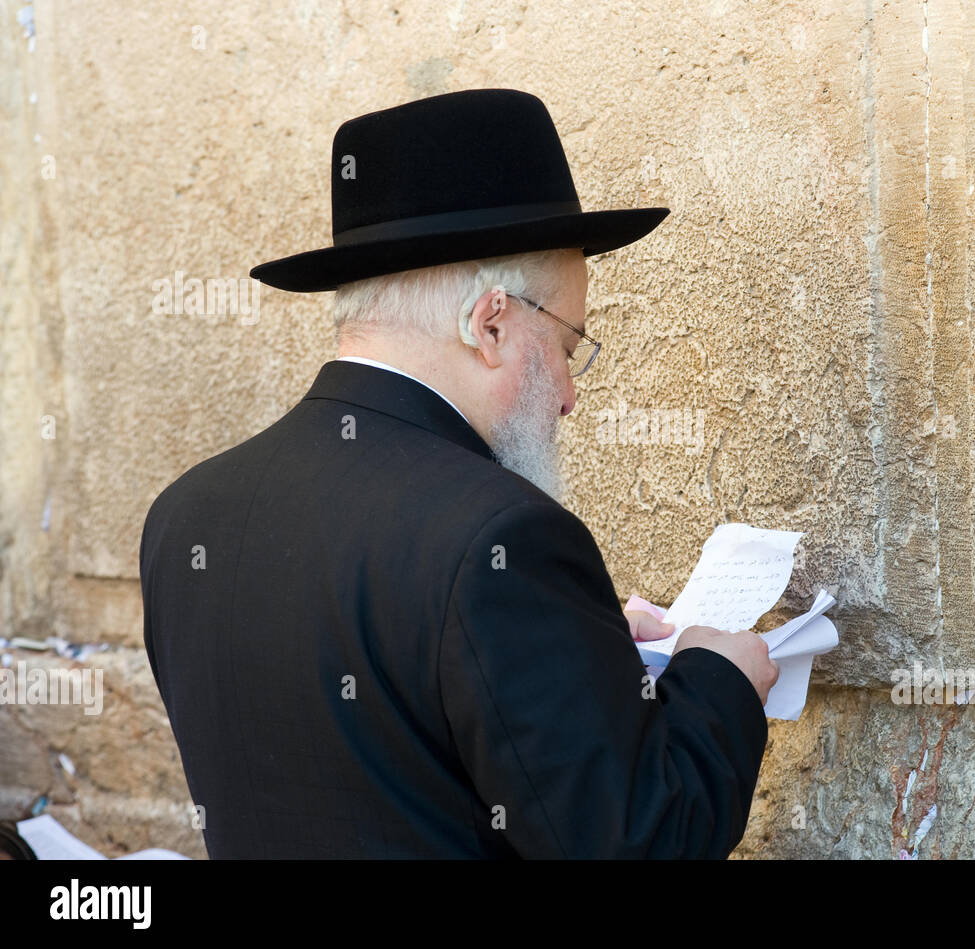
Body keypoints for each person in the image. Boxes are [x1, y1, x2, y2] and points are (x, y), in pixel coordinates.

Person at [140, 88, 778, 858]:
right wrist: (719, 681)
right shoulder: (501, 538)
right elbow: (638, 841)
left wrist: (577, 642)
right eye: (570, 347)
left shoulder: (185, 518)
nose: (571, 396)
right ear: (491, 323)